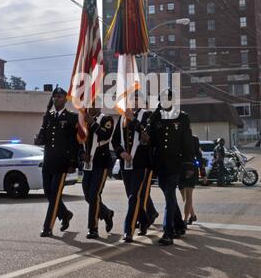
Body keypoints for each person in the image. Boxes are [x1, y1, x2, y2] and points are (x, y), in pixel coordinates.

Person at [148, 88, 194, 245]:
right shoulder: (155, 117)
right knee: (170, 195)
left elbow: (187, 142)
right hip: (161, 164)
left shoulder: (182, 117)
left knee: (169, 195)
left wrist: (189, 165)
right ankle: (180, 225)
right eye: (162, 99)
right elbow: (151, 140)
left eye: (168, 98)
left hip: (176, 163)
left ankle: (168, 232)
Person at [112, 91, 158, 243]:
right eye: (132, 99)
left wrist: (134, 121)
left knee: (134, 197)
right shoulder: (122, 117)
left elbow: (148, 137)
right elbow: (115, 140)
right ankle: (145, 219)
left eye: (138, 99)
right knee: (131, 196)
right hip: (127, 163)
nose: (135, 102)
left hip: (142, 163)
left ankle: (128, 230)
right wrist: (121, 153)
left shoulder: (147, 116)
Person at [35, 87, 79, 237]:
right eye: (54, 97)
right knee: (48, 192)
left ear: (65, 99)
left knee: (54, 194)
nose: (56, 99)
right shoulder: (48, 116)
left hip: (62, 163)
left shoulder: (72, 117)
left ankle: (48, 227)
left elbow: (75, 142)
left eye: (59, 97)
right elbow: (43, 137)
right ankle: (65, 214)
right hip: (48, 161)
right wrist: (38, 139)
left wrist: (73, 162)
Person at [80, 107, 114, 239]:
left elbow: (105, 135)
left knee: (94, 195)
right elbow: (79, 141)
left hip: (101, 163)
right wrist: (81, 154)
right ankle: (106, 213)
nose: (91, 107)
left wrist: (92, 123)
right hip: (88, 164)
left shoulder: (106, 118)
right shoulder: (83, 120)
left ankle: (93, 228)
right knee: (88, 196)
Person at [179, 135, 203, 225]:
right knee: (184, 197)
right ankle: (192, 215)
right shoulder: (177, 137)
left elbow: (199, 155)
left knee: (188, 196)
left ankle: (185, 219)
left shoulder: (194, 139)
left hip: (191, 169)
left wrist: (203, 172)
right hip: (180, 170)